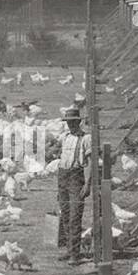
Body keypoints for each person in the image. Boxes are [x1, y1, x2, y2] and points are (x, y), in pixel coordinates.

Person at [55, 106, 92, 262]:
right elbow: (61, 158)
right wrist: (59, 186)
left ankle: (75, 254)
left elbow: (90, 163)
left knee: (75, 216)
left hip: (76, 177)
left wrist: (87, 184)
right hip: (63, 176)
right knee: (65, 215)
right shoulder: (65, 137)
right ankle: (69, 250)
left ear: (78, 121)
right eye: (68, 122)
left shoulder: (86, 138)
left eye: (72, 122)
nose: (70, 124)